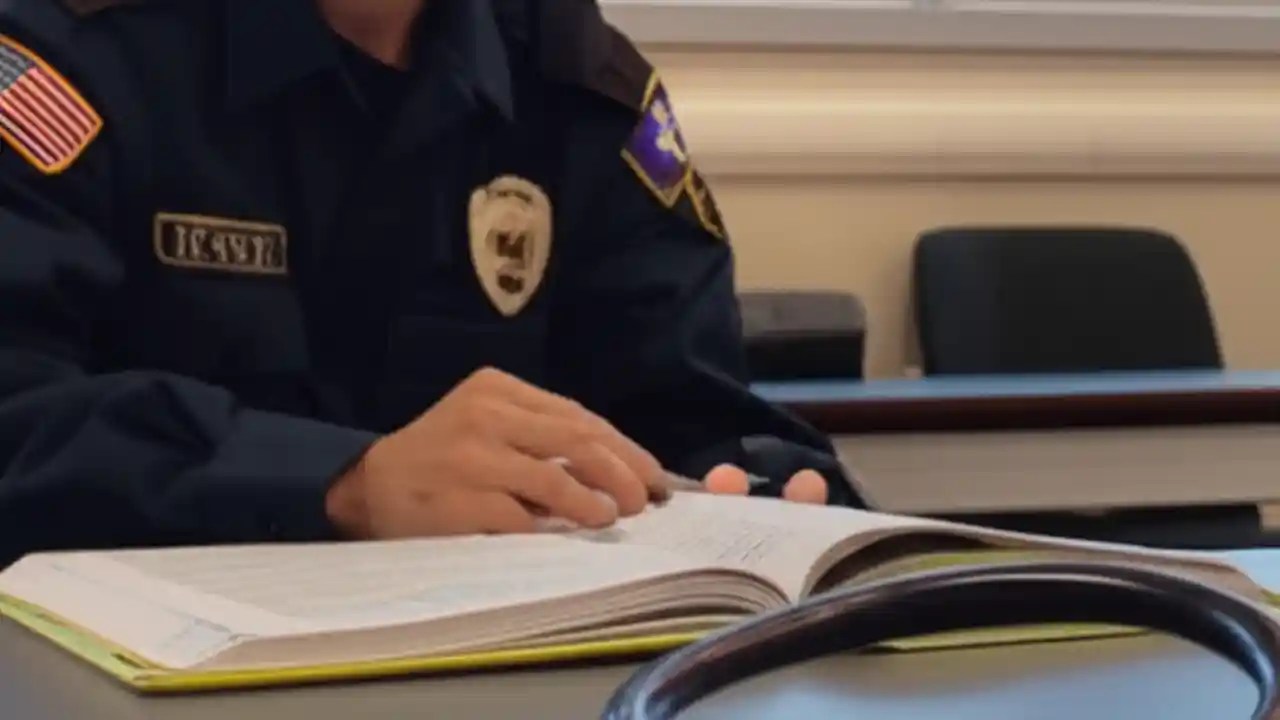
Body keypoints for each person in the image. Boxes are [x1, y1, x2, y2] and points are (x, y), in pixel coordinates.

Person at [0, 0, 859, 565]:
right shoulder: (69, 52)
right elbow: (17, 419)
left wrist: (760, 501)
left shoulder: (575, 78)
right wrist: (339, 483)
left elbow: (679, 406)